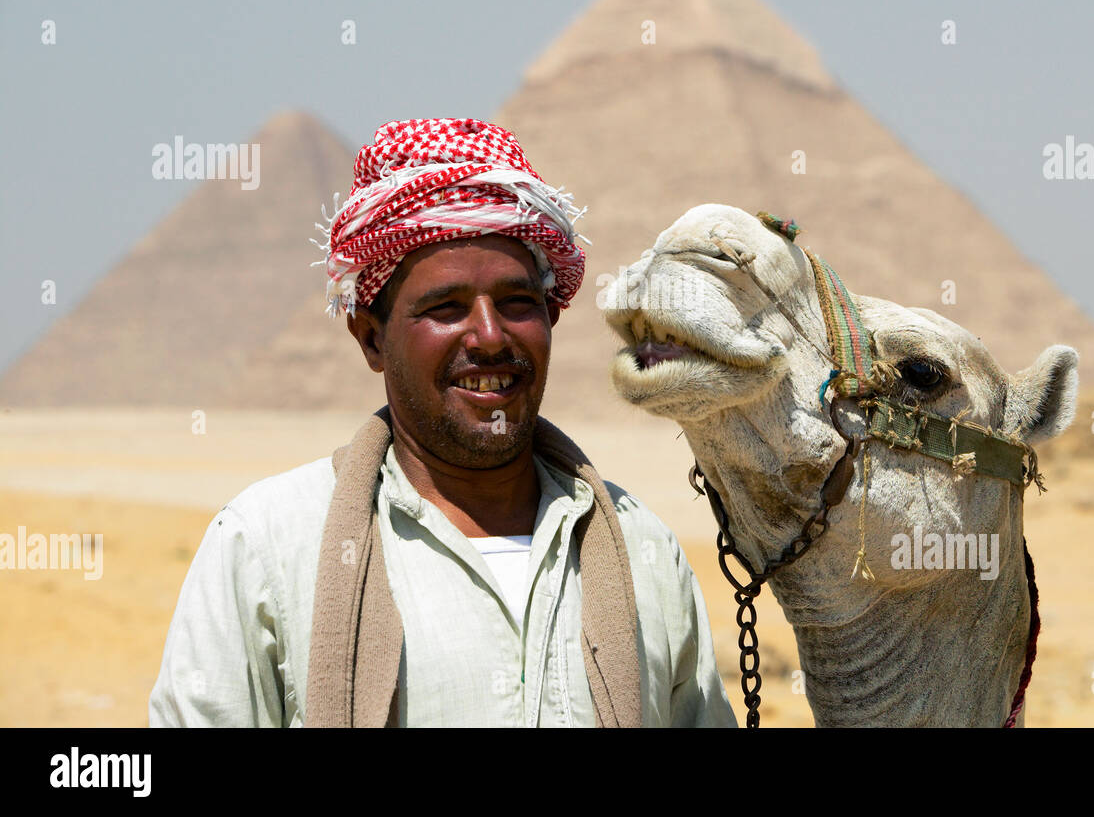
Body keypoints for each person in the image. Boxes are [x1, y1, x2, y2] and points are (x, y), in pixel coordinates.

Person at [148, 117, 736, 727]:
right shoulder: (268, 547)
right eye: (446, 308)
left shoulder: (643, 553)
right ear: (371, 339)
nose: (488, 336)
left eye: (516, 302)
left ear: (551, 318)